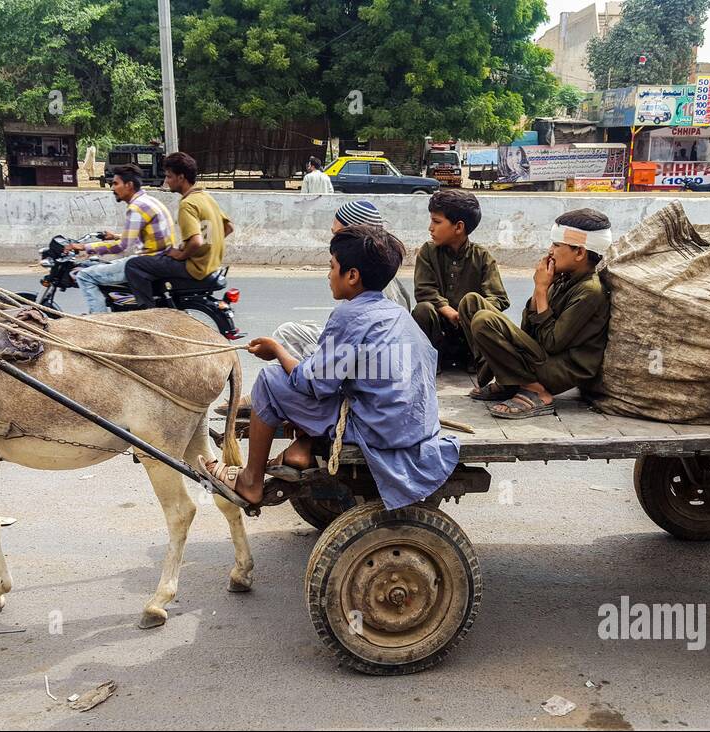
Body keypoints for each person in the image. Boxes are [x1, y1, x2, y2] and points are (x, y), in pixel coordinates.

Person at [199, 225, 460, 509]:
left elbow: (311, 383)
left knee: (270, 380)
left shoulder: (350, 314)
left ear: (352, 276)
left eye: (331, 266)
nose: (328, 274)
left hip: (380, 429)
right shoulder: (396, 313)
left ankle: (251, 482)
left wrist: (276, 350)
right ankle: (301, 449)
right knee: (323, 378)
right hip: (411, 423)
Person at [459, 208, 612, 420]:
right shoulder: (561, 279)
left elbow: (551, 343)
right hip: (543, 356)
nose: (550, 251)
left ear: (579, 253)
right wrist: (540, 287)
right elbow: (528, 329)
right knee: (471, 303)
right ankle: (509, 381)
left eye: (557, 245)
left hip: (561, 368)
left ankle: (536, 390)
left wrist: (541, 290)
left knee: (485, 321)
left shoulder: (590, 291)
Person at [273, 200, 412, 360]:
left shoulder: (371, 295)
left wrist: (279, 353)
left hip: (362, 359)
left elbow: (327, 370)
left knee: (283, 344)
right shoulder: (382, 275)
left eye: (337, 235)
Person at [411, 189, 509, 371]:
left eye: (436, 222)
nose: (430, 228)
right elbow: (424, 290)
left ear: (458, 227)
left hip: (469, 335)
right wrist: (450, 313)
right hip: (439, 333)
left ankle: (476, 360)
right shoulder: (428, 252)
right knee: (422, 309)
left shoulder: (482, 256)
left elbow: (498, 299)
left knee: (486, 313)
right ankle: (432, 360)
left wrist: (469, 313)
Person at [124, 151, 233, 308]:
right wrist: (207, 247)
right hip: (211, 264)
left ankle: (147, 315)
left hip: (194, 267)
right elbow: (228, 227)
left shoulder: (187, 204)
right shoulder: (205, 197)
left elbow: (196, 241)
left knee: (134, 265)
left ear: (181, 177)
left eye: (169, 176)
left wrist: (181, 254)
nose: (167, 181)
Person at [67, 163, 175, 314]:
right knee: (102, 265)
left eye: (116, 183)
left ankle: (100, 323)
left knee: (85, 276)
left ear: (129, 185)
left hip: (146, 262)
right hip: (158, 258)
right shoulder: (149, 200)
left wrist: (86, 247)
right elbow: (144, 234)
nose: (112, 188)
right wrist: (114, 236)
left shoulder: (136, 208)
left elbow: (122, 246)